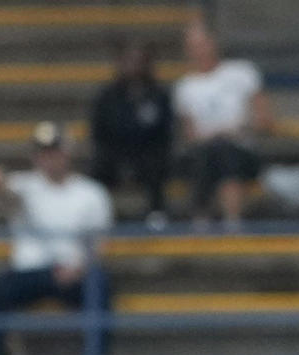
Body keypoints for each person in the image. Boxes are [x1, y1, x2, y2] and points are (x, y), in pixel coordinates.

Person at [0, 123, 114, 328]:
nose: (48, 158)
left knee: (98, 286)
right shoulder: (22, 185)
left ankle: (97, 349)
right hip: (29, 271)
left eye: (54, 151)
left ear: (67, 152)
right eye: (43, 152)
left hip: (74, 271)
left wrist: (79, 268)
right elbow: (5, 195)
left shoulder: (92, 193)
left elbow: (100, 242)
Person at [167, 15, 271, 227]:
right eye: (193, 46)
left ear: (214, 43)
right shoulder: (185, 87)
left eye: (202, 44)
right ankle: (202, 223)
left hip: (240, 148)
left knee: (226, 155)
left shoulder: (242, 73)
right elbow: (190, 135)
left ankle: (231, 223)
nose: (199, 51)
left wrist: (237, 129)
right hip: (205, 152)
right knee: (208, 155)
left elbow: (265, 120)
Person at [87, 38, 178, 221]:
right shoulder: (107, 96)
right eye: (129, 61)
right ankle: (100, 215)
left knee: (157, 164)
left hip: (148, 152)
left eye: (139, 62)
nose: (134, 67)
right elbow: (98, 130)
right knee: (97, 168)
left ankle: (156, 213)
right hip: (115, 152)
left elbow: (167, 131)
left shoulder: (158, 95)